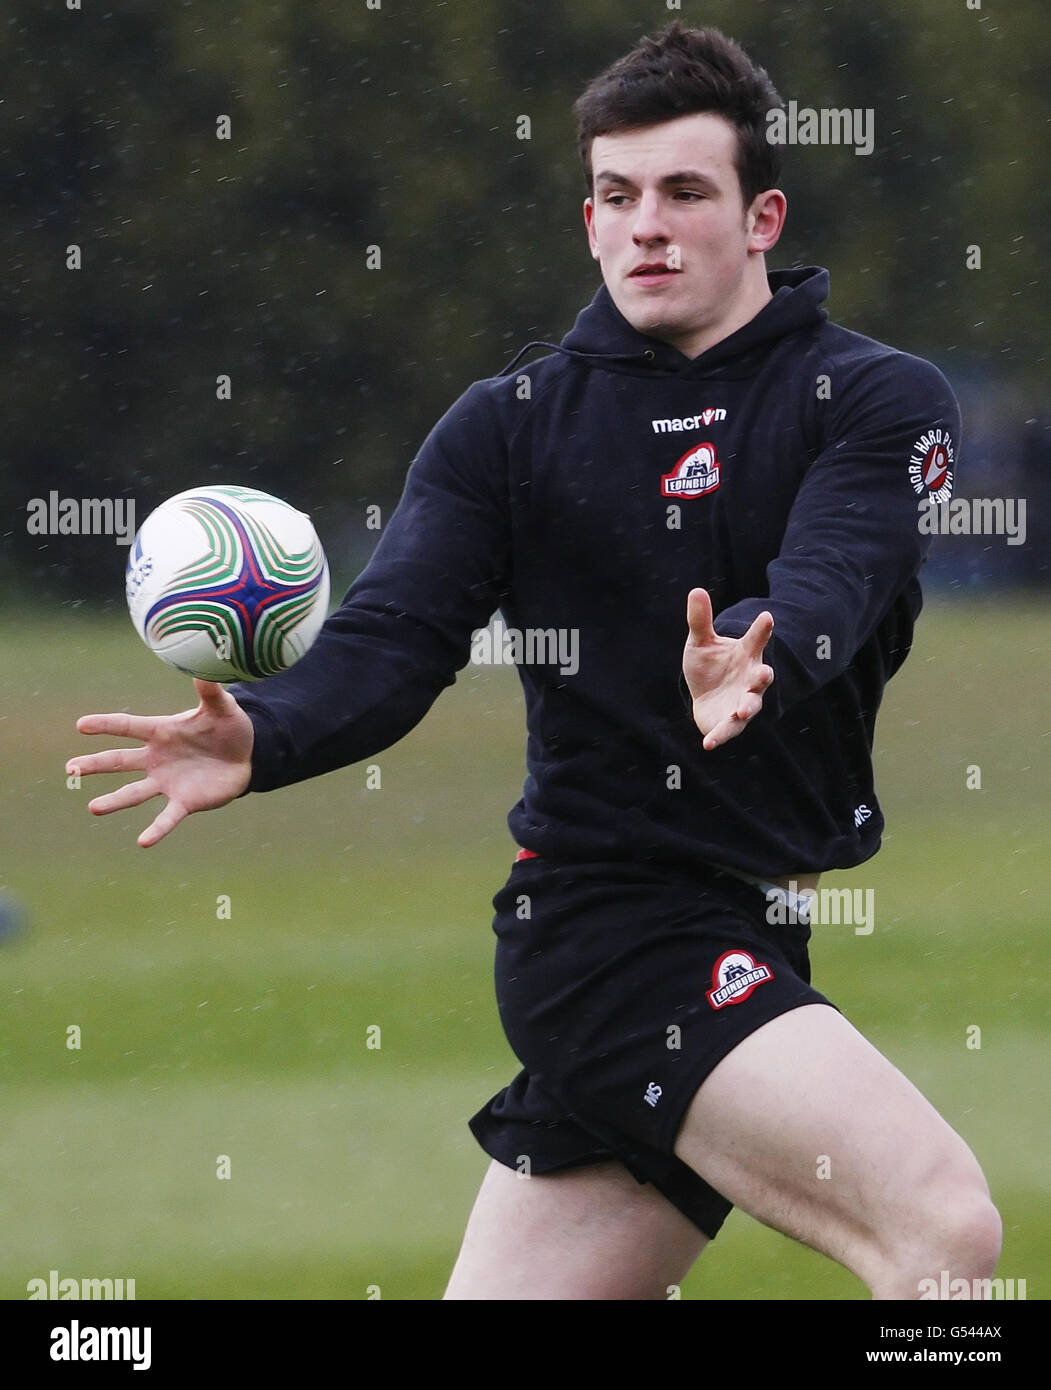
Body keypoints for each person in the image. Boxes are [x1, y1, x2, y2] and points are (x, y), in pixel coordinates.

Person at [68, 23, 1000, 1300]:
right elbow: (394, 641)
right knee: (944, 1231)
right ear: (589, 219)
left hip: (756, 917)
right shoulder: (507, 429)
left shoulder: (876, 398)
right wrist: (265, 733)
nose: (647, 227)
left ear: (763, 214)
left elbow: (841, 566)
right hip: (608, 931)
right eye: (617, 197)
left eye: (684, 192)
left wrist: (761, 648)